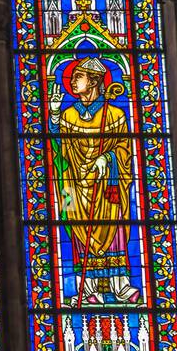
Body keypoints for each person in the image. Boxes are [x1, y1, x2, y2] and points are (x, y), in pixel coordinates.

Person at [51, 58, 140, 303]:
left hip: (107, 185)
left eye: (78, 77)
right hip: (72, 184)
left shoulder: (115, 114)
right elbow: (59, 149)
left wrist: (108, 159)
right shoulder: (68, 115)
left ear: (94, 82)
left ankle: (119, 286)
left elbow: (124, 149)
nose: (71, 81)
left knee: (114, 231)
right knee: (76, 227)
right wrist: (55, 115)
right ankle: (88, 288)